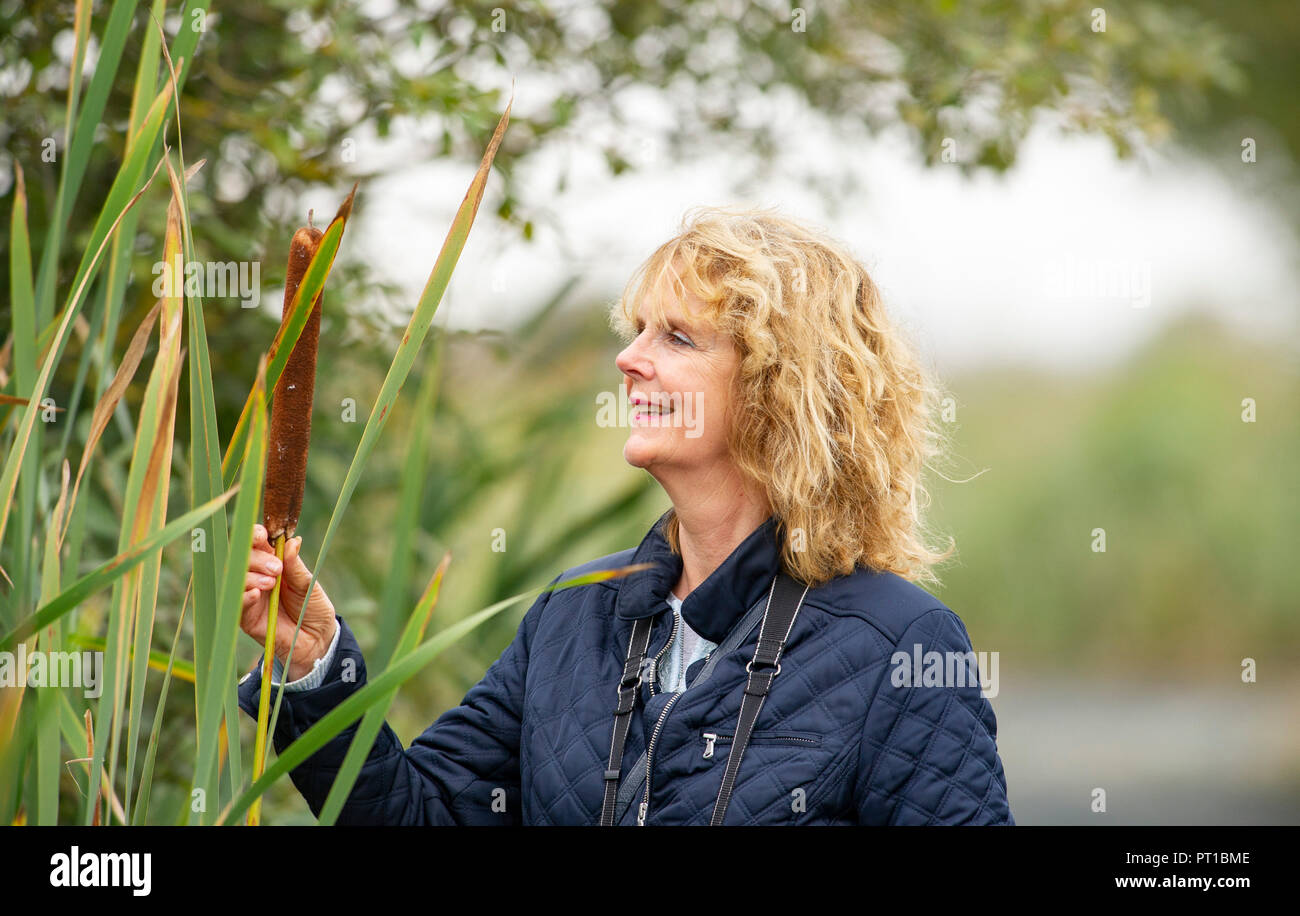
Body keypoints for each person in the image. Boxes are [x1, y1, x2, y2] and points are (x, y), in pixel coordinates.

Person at [237, 205, 1014, 825]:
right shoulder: (576, 614)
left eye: (677, 337)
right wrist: (313, 666)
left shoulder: (895, 644)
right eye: (637, 329)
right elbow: (421, 813)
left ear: (782, 390)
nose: (630, 357)